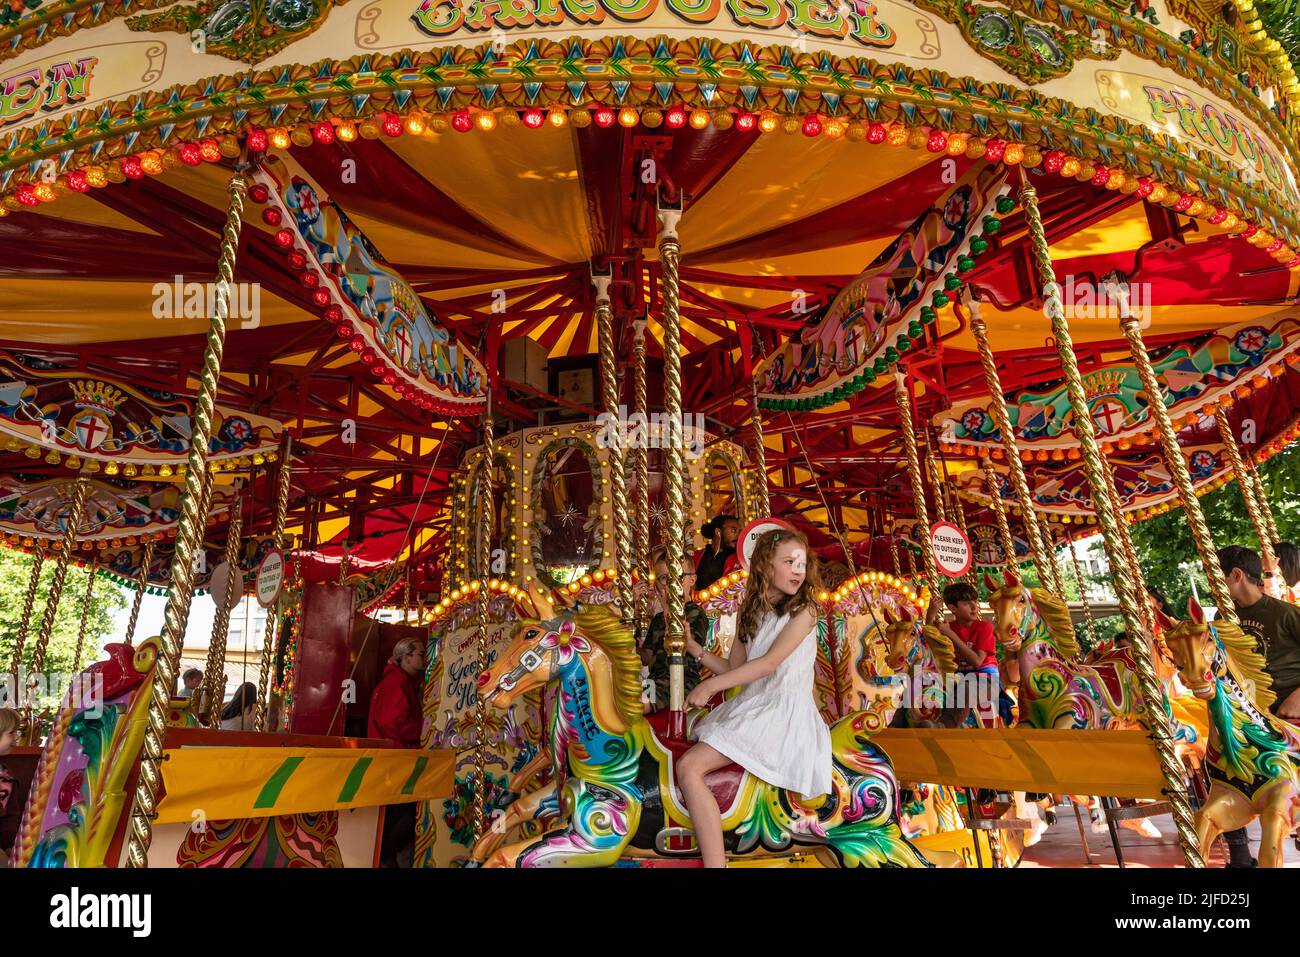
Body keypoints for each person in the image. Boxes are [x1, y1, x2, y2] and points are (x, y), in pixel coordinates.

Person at [676, 528, 830, 868]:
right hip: (754, 706)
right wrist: (696, 651)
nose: (797, 571)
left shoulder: (804, 611)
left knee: (689, 768)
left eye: (802, 564)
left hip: (781, 713)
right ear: (765, 566)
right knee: (687, 746)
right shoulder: (751, 612)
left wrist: (710, 688)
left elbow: (769, 664)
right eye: (789, 562)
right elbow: (734, 667)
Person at [1217, 545, 1300, 866]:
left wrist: (1297, 694)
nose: (1215, 585)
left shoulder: (1284, 614)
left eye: (1218, 577)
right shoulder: (1226, 618)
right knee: (1223, 764)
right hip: (1248, 712)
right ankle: (1239, 853)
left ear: (1236, 575)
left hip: (1287, 706)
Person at [369, 638, 425, 868]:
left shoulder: (398, 681)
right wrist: (425, 730)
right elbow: (393, 723)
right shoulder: (397, 682)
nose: (424, 658)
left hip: (395, 758)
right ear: (407, 657)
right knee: (402, 817)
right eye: (421, 654)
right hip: (398, 758)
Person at [640, 547, 709, 711]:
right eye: (664, 578)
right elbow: (646, 658)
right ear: (657, 584)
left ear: (691, 580)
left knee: (635, 707)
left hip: (681, 680)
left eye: (677, 577)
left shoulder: (695, 612)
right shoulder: (657, 619)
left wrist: (667, 610)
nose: (671, 583)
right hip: (655, 680)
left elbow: (684, 644)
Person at [935, 581, 1009, 726]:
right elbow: (930, 638)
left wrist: (951, 634)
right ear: (952, 608)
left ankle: (944, 725)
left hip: (986, 680)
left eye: (975, 601)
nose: (975, 606)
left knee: (967, 688)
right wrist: (932, 611)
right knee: (920, 685)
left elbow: (977, 661)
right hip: (957, 678)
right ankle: (897, 726)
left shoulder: (984, 627)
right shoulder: (949, 627)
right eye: (967, 603)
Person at [695, 514, 740, 590]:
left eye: (739, 531)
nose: (738, 535)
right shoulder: (697, 556)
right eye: (733, 530)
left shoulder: (739, 558)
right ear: (718, 532)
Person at [0, 708, 19, 868]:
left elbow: (11, 816)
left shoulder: (7, 777)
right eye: (11, 733)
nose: (15, 737)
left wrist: (9, 844)